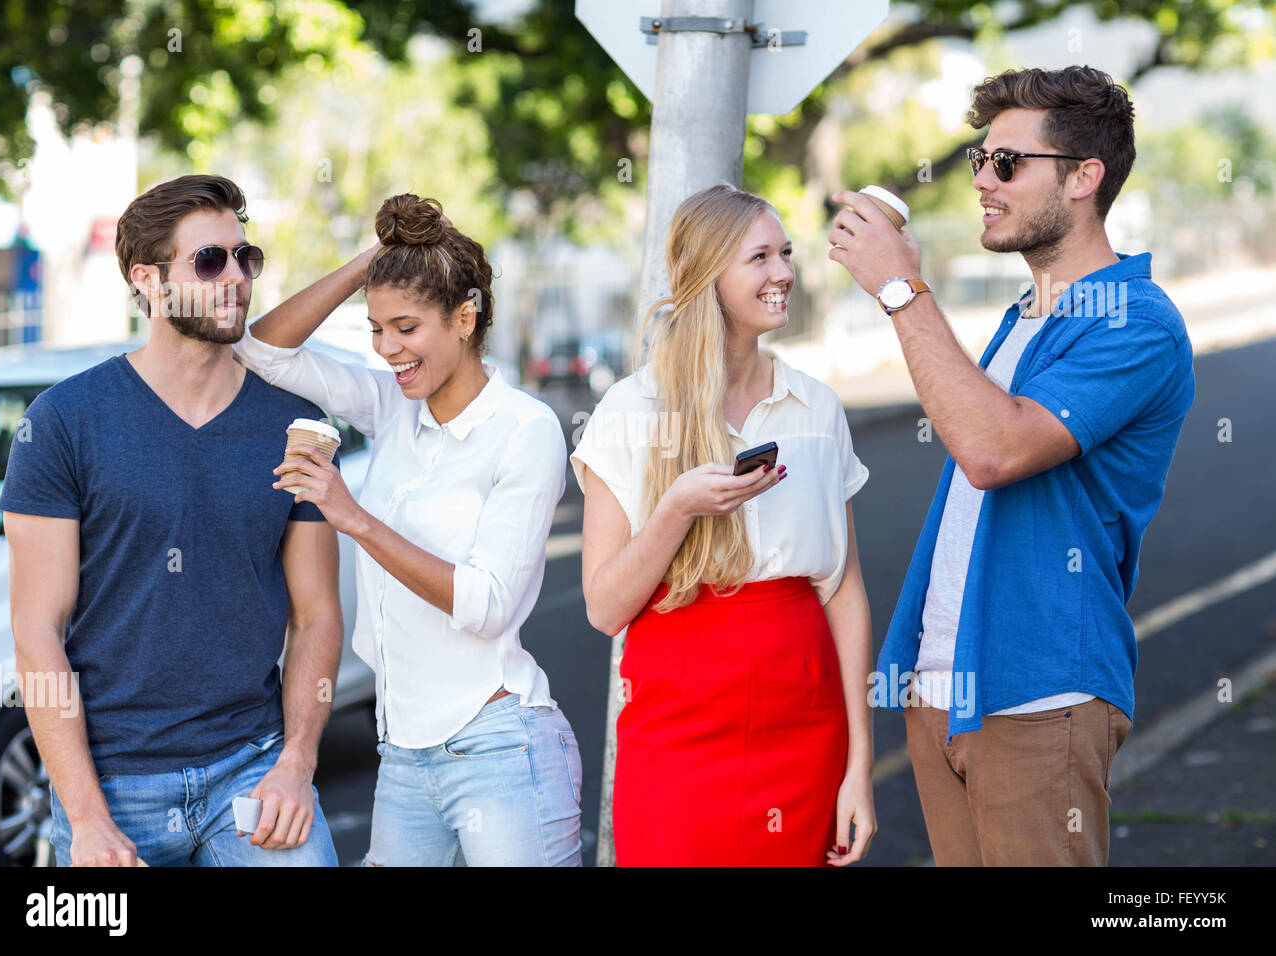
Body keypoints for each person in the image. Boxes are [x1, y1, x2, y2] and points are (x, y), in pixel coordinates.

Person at [828, 66, 1195, 865]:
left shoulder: (1137, 321)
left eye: (1006, 163)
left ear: (1083, 179)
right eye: (977, 160)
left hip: (1038, 695)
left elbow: (995, 450)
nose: (982, 182)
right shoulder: (1024, 317)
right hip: (943, 689)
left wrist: (899, 286)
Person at [1, 174, 343, 866]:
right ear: (148, 281)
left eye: (246, 258)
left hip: (251, 772)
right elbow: (37, 631)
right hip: (111, 784)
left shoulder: (292, 427)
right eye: (209, 260)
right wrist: (86, 817)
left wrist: (296, 765)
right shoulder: (64, 424)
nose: (237, 278)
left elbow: (316, 615)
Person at [233, 193, 581, 866]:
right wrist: (379, 257)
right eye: (375, 329)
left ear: (464, 316)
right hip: (402, 755)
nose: (389, 350)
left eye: (406, 328)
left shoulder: (525, 430)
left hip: (501, 750)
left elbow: (486, 606)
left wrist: (354, 518)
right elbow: (263, 350)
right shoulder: (392, 404)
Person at [573, 183, 876, 866]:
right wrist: (677, 508)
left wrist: (860, 765)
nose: (784, 274)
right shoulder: (631, 411)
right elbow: (604, 606)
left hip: (804, 730)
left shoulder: (817, 409)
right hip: (678, 737)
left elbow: (846, 592)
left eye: (787, 254)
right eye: (760, 258)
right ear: (708, 275)